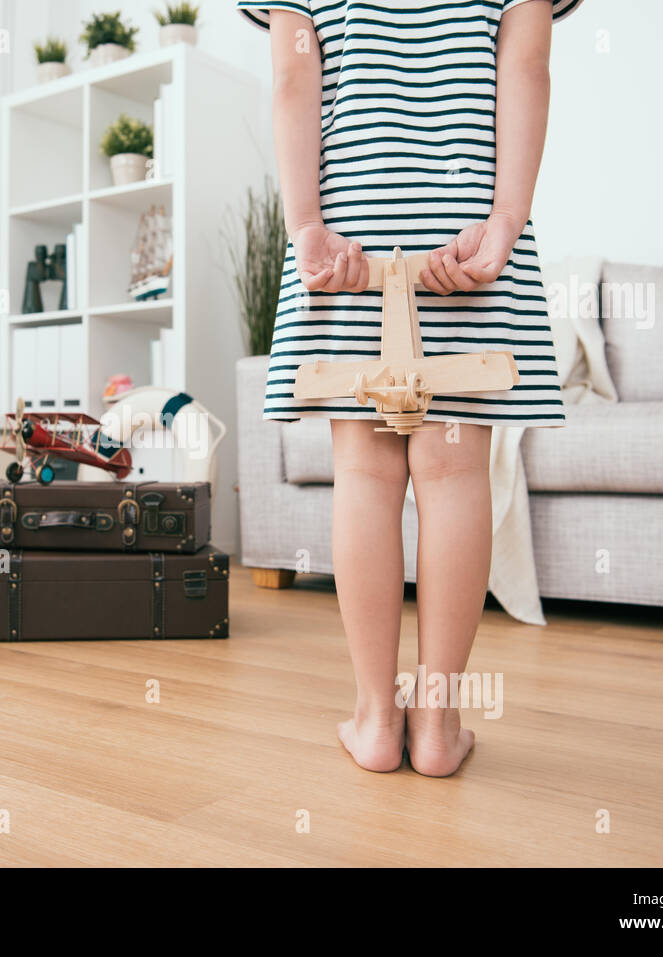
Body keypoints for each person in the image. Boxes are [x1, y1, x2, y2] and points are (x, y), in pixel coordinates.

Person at [238, 0, 579, 776]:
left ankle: (372, 717)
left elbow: (295, 77)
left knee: (363, 473)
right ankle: (437, 723)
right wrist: (506, 221)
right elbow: (525, 66)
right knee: (456, 476)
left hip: (351, 221)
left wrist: (306, 228)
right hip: (465, 224)